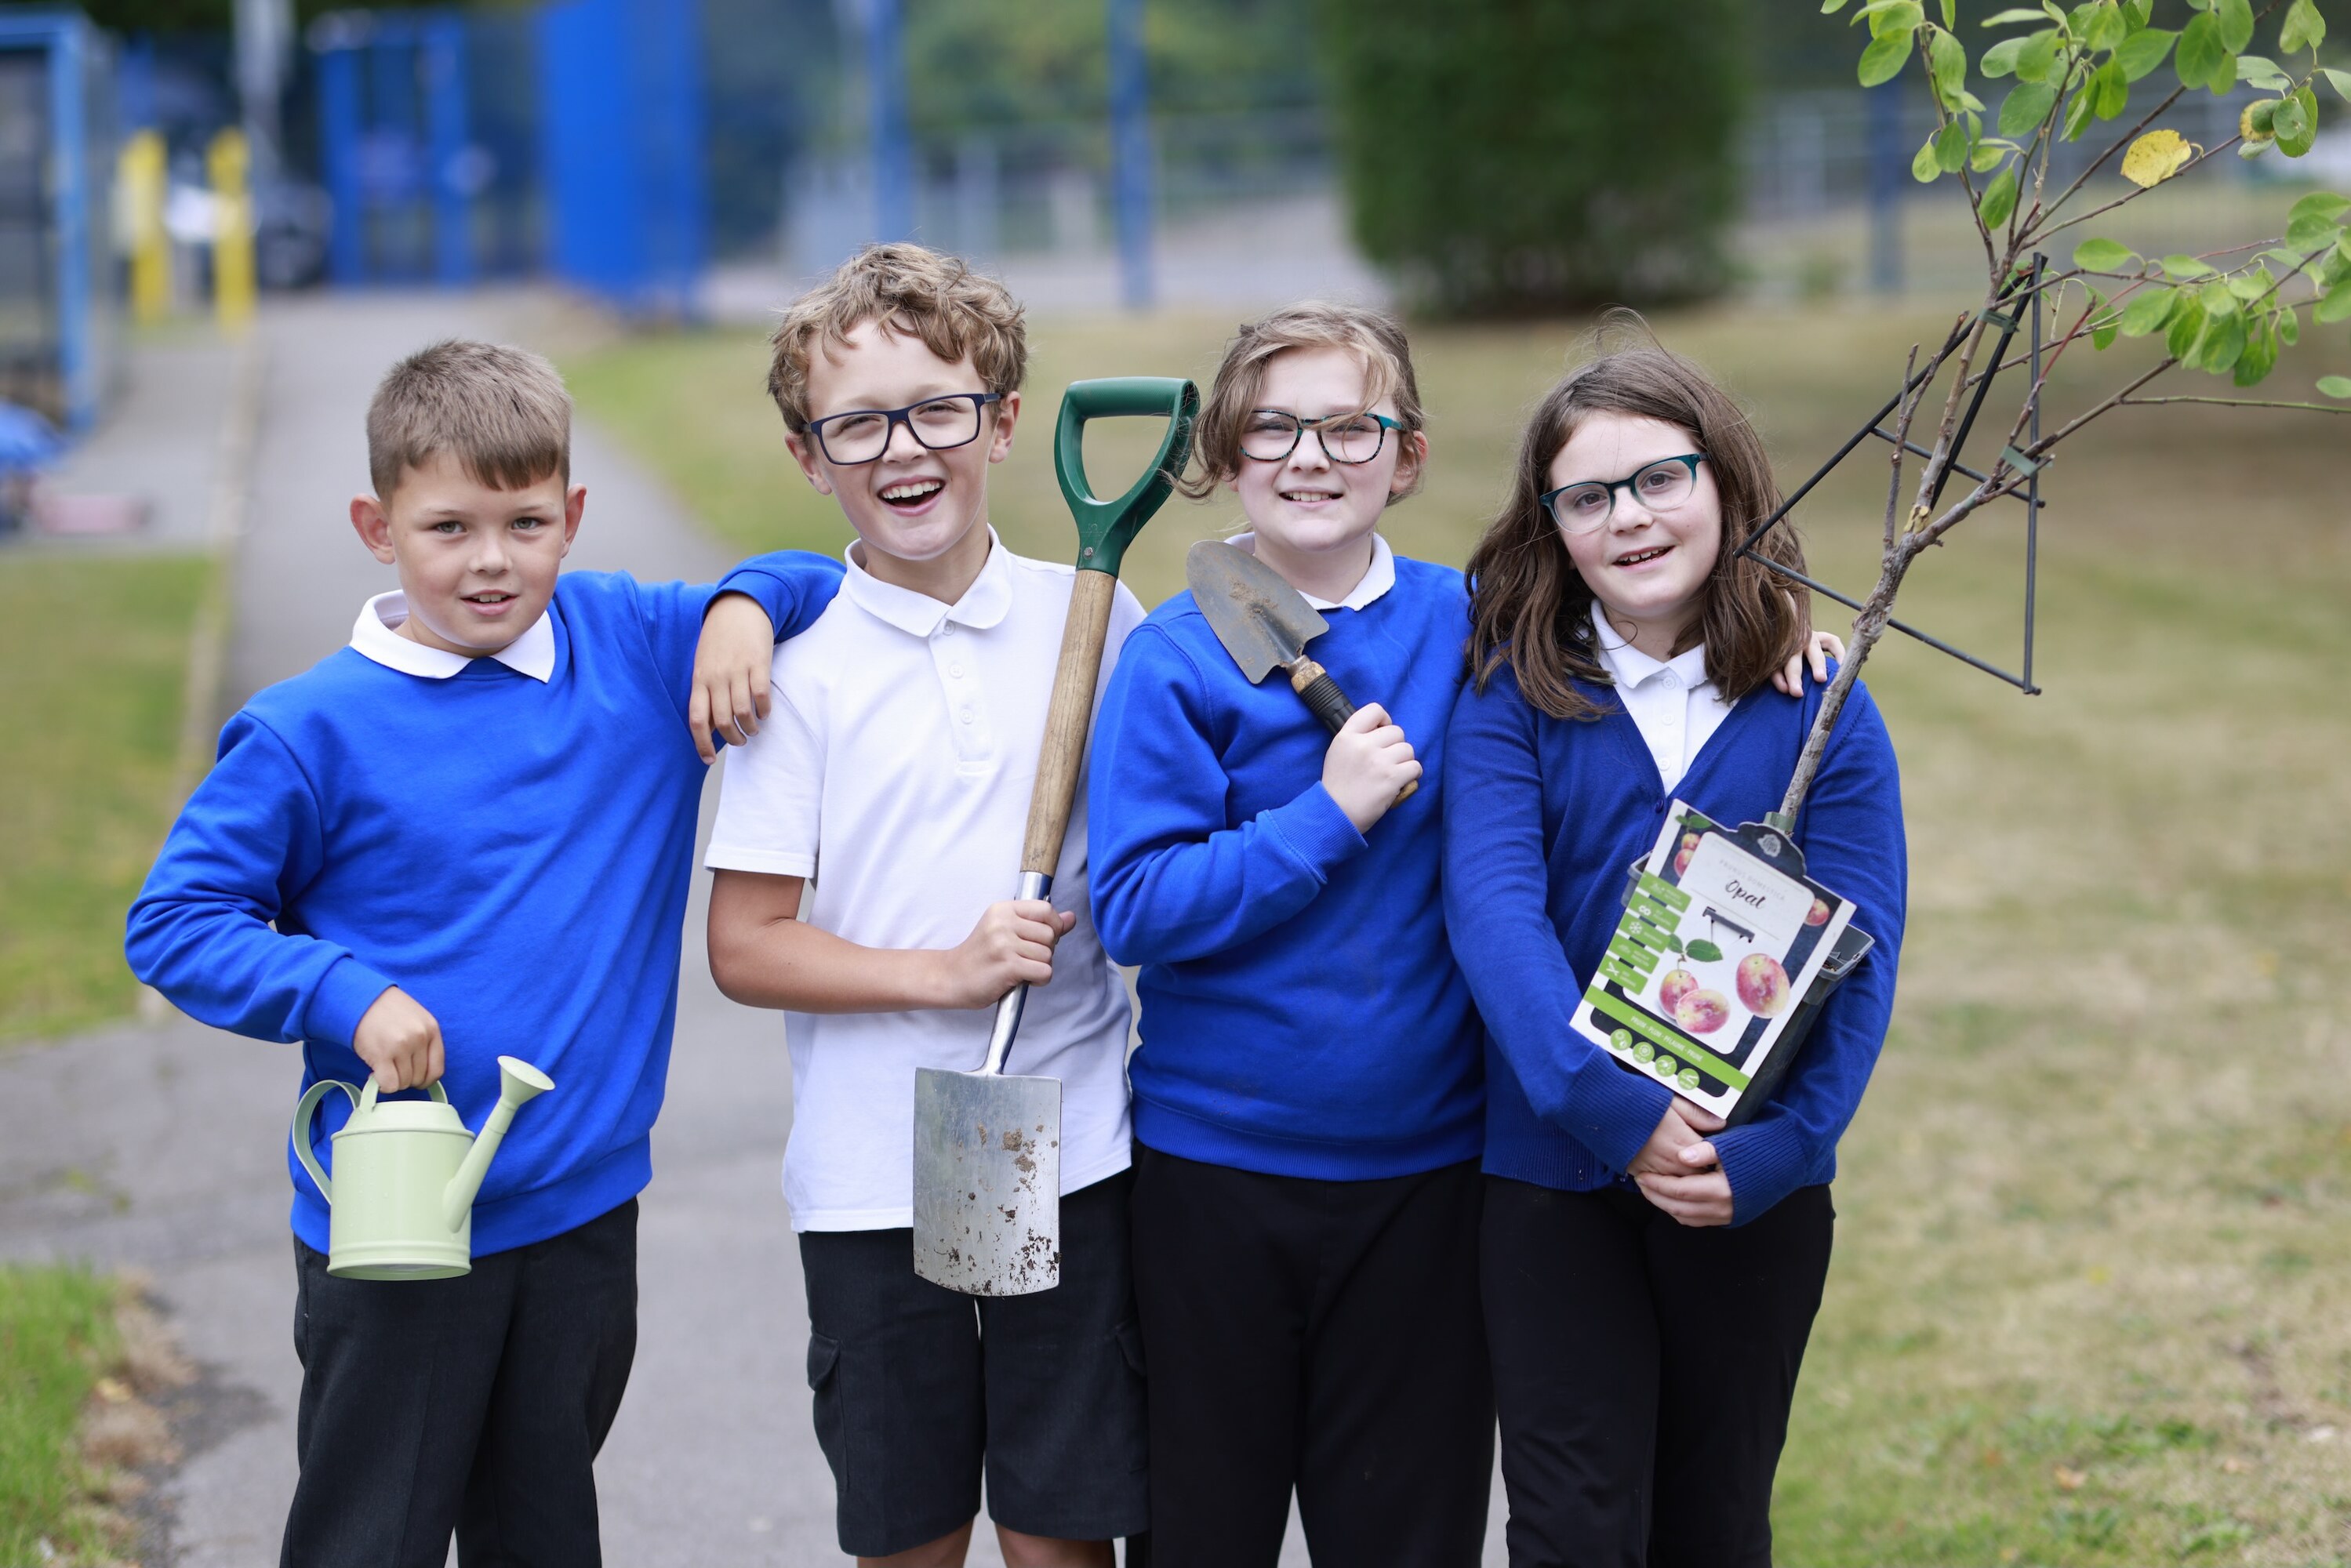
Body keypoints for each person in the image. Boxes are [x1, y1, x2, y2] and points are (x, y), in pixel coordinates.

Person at [123, 339, 845, 1568]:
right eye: (448, 528)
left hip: (579, 1216)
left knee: (545, 1532)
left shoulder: (630, 644)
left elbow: (815, 577)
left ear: (571, 515)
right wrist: (341, 993)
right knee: (372, 1536)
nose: (492, 560)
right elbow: (175, 923)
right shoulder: (310, 730)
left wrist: (738, 607)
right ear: (376, 525)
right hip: (400, 1222)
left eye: (524, 522)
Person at [701, 242, 1148, 1568]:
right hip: (871, 1177)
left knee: (1061, 1525)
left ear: (1003, 422)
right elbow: (744, 945)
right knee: (911, 1532)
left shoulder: (1103, 621)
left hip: (1072, 1148)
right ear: (807, 456)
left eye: (937, 409)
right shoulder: (794, 668)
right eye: (857, 422)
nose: (904, 448)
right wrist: (942, 973)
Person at [1441, 329, 1906, 1568]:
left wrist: (1774, 1153)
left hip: (1741, 1188)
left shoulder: (1820, 713)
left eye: (1660, 479)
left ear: (1725, 482)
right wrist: (1605, 1107)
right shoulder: (1510, 692)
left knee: (1715, 1520)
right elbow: (1495, 918)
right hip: (1550, 1177)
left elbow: (1863, 959)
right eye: (1587, 497)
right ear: (1551, 524)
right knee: (1573, 1524)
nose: (1629, 518)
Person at [1085, 303, 1494, 1566]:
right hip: (1217, 1174)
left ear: (1405, 455)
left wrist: (1774, 648)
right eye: (1272, 427)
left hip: (1427, 1174)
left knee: (1403, 1531)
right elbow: (1135, 905)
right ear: (1222, 451)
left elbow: (1634, 667)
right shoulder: (1174, 653)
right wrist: (1327, 817)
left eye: (1347, 426)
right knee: (1205, 1531)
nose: (1309, 457)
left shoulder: (1475, 622)